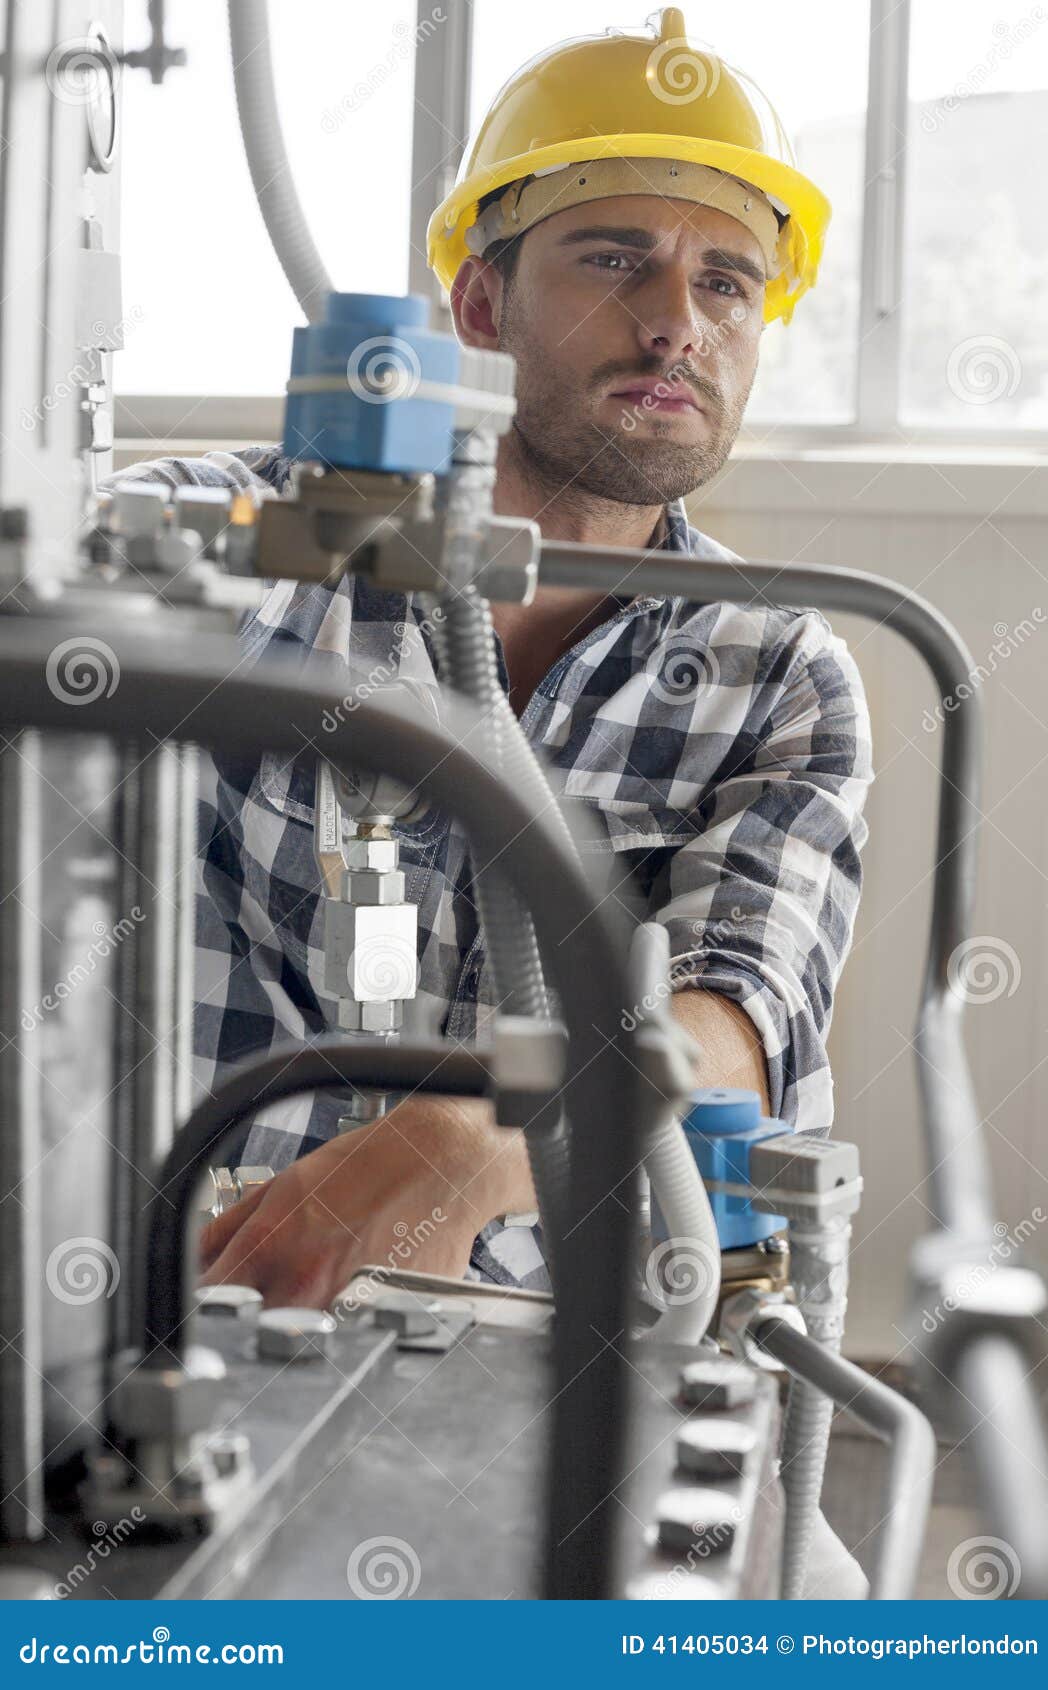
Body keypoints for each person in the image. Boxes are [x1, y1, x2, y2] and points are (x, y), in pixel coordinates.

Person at [110, 12, 872, 1326]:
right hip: (211, 1317)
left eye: (727, 284)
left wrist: (470, 1139)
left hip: (560, 1369)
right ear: (480, 302)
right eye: (616, 258)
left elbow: (734, 1023)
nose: (677, 325)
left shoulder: (784, 676)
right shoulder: (243, 555)